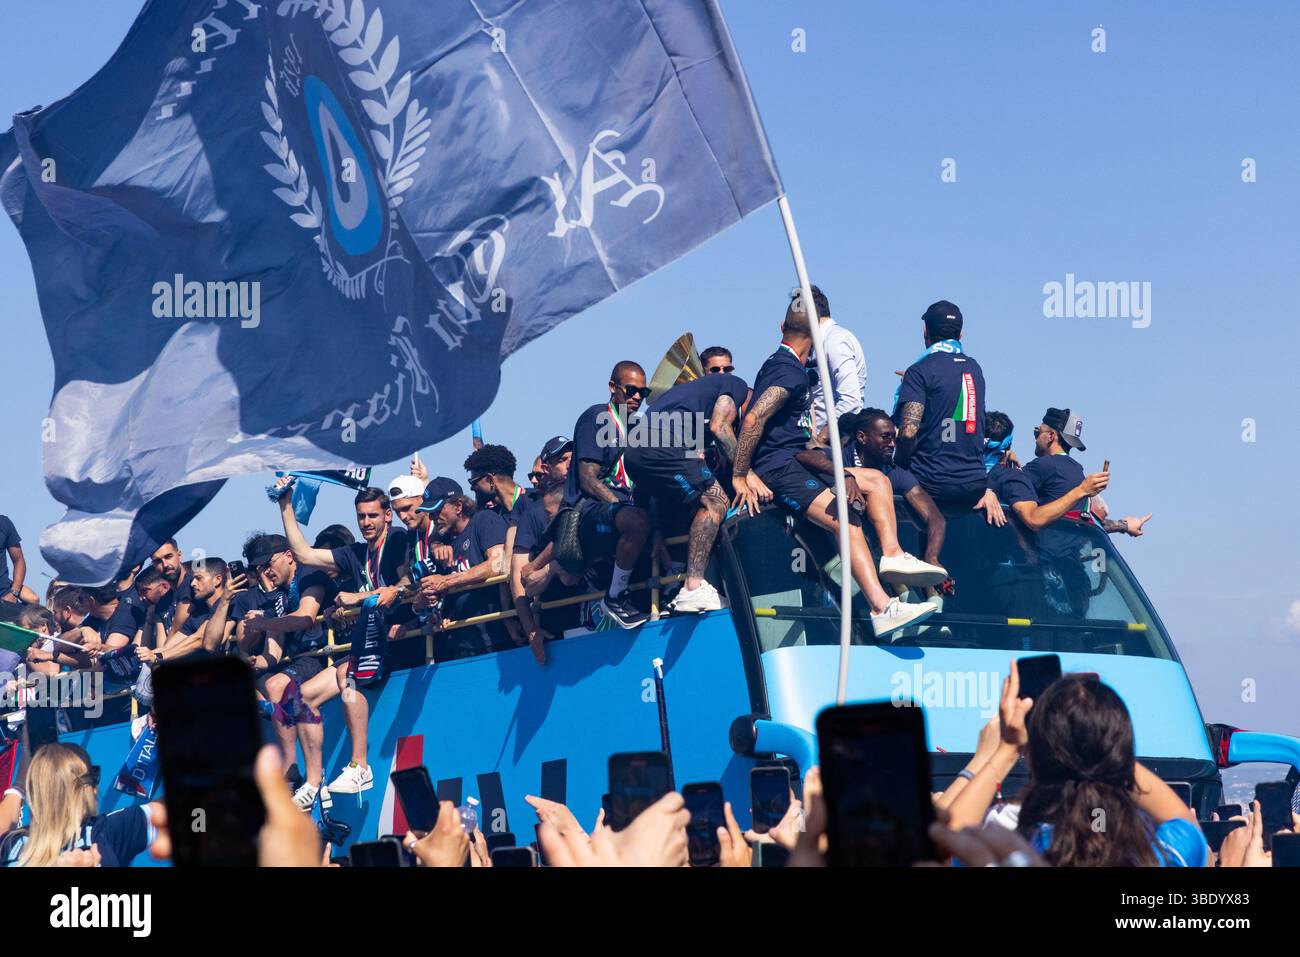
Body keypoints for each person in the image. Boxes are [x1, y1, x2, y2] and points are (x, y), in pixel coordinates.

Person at [730, 295, 938, 638]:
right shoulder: (787, 370)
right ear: (816, 329)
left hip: (795, 459)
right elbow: (753, 418)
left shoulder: (791, 367)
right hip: (779, 469)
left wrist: (834, 465)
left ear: (783, 328)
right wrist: (741, 474)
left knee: (875, 481)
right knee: (846, 517)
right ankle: (882, 607)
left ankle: (892, 555)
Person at [947, 663, 1208, 867]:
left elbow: (947, 840)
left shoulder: (1013, 854)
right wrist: (1100, 741)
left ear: (1033, 762)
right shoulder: (1164, 854)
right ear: (1122, 755)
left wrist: (1005, 750)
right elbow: (1183, 820)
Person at [276, 486, 408, 795]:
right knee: (299, 697)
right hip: (366, 647)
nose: (366, 522)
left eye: (373, 515)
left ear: (388, 516)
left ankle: (360, 766)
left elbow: (404, 585)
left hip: (397, 643)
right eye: (361, 516)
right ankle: (313, 783)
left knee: (343, 672)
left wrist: (358, 598)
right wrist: (284, 504)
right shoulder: (355, 553)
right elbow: (304, 554)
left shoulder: (398, 539)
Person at [624, 370, 751, 613]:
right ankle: (693, 587)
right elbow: (720, 426)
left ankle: (680, 584)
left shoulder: (683, 401)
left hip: (636, 453)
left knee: (695, 501)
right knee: (716, 502)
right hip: (663, 443)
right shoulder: (737, 385)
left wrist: (657, 528)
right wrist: (746, 473)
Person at [892, 300, 1003, 523]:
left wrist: (901, 466)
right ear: (960, 334)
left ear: (926, 331)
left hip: (931, 481)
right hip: (974, 484)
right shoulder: (974, 368)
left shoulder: (920, 370)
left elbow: (908, 433)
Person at [565, 362, 654, 629]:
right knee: (636, 521)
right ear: (613, 388)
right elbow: (588, 479)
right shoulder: (596, 417)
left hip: (625, 509)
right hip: (591, 510)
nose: (637, 397)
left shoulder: (638, 428)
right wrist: (622, 506)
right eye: (630, 390)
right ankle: (615, 598)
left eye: (643, 392)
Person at [0, 743, 159, 866]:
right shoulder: (104, 832)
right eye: (93, 776)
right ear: (87, 789)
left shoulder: (12, 845)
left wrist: (19, 787)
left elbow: (3, 825)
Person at [845, 408, 949, 572]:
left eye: (894, 438)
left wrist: (931, 558)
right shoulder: (838, 457)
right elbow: (806, 457)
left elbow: (935, 518)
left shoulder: (894, 472)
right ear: (861, 437)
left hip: (876, 556)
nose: (892, 444)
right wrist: (844, 476)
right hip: (840, 553)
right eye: (886, 437)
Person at [415, 490, 510, 659]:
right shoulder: (444, 545)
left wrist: (447, 581)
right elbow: (428, 591)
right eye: (430, 514)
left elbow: (497, 565)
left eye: (438, 510)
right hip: (460, 643)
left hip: (497, 638)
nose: (433, 518)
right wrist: (428, 601)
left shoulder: (484, 519)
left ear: (458, 506)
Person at [798, 285, 867, 443]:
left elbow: (851, 400)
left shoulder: (835, 341)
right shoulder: (820, 342)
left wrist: (821, 438)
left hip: (834, 446)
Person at [0, 515, 33, 605]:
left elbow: (18, 560)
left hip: (5, 598)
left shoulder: (3, 523)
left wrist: (14, 593)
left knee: (35, 602)